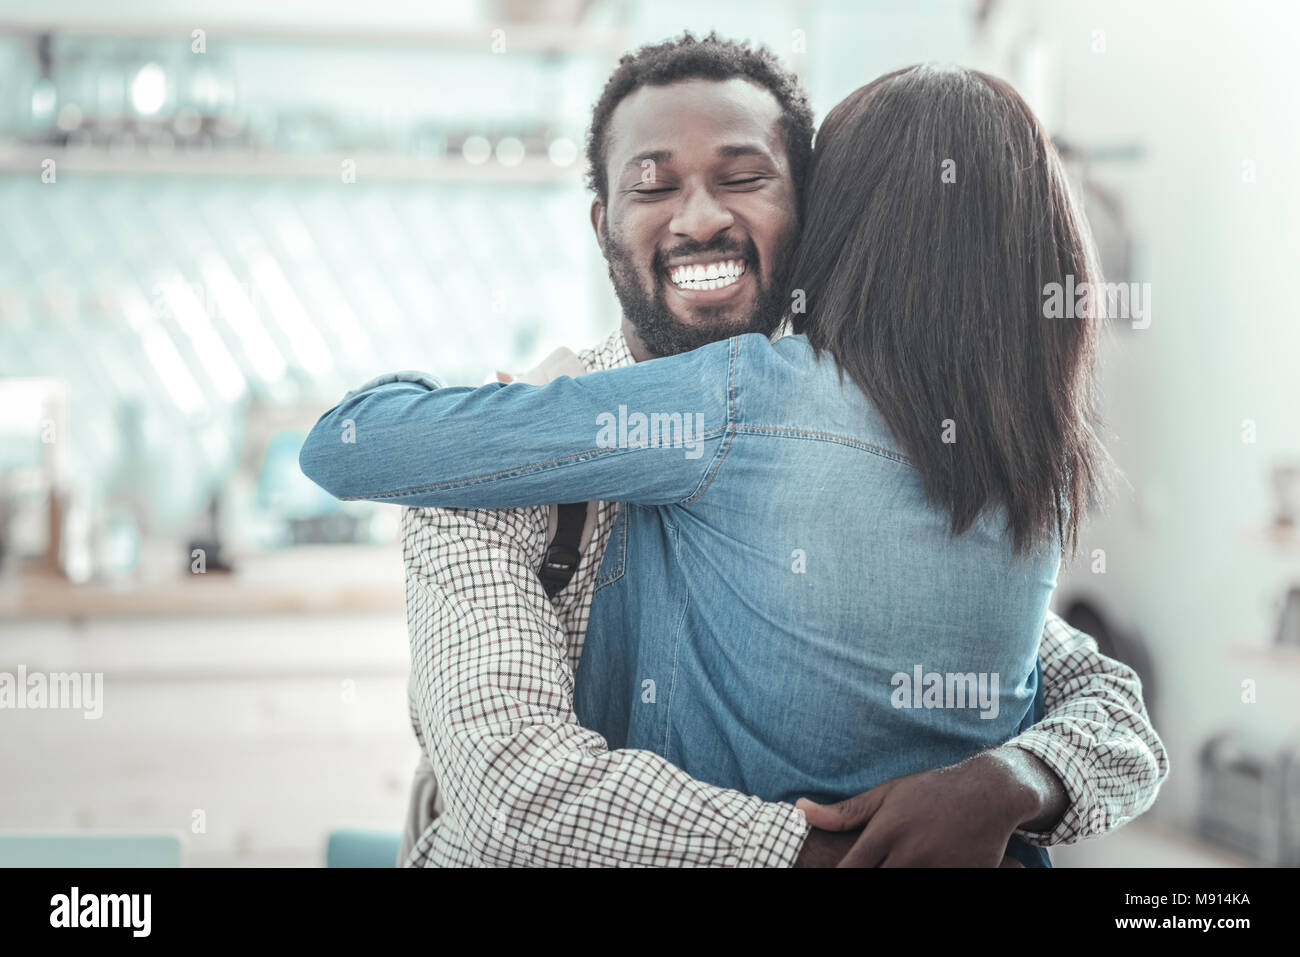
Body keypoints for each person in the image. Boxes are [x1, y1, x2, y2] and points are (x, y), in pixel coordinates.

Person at [301, 37, 1167, 868]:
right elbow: (516, 797)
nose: (703, 216)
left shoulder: (819, 424)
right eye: (653, 185)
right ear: (603, 223)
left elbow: (1103, 704)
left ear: (815, 216)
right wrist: (841, 854)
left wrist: (1010, 778)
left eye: (746, 178)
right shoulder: (486, 468)